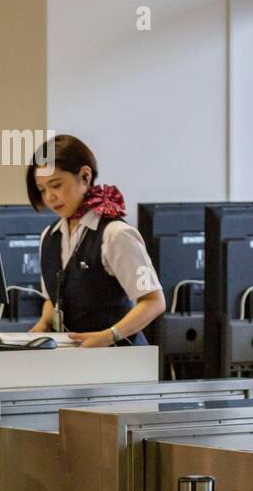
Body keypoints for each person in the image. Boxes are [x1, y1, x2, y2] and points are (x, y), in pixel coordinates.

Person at [24, 135, 165, 346]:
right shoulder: (49, 236)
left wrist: (109, 335)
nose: (50, 197)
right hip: (76, 358)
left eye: (56, 185)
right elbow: (52, 300)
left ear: (85, 175)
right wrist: (42, 326)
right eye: (42, 190)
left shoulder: (116, 234)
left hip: (120, 358)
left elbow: (154, 302)